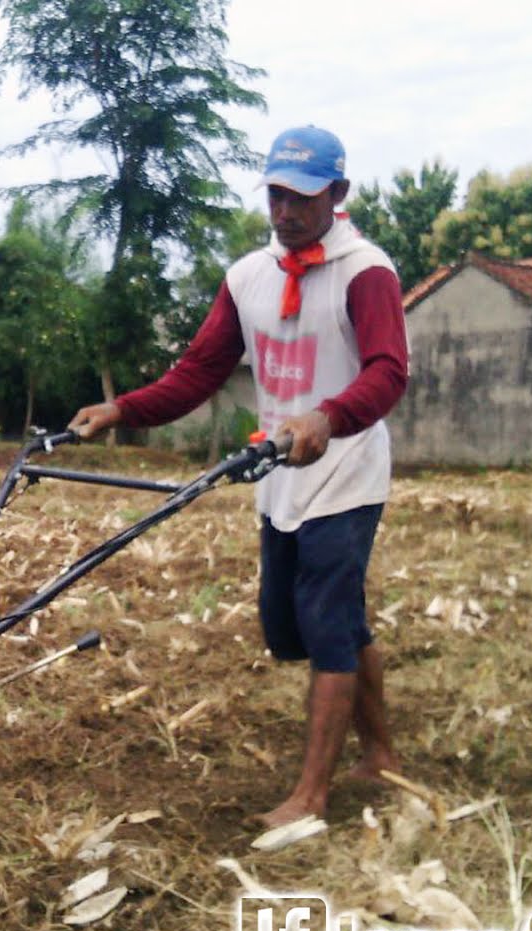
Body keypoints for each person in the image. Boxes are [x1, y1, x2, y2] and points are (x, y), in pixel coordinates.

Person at [68, 125, 410, 830]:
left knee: (324, 619)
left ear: (338, 195)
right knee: (293, 625)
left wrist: (330, 416)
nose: (285, 211)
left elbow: (389, 371)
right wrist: (122, 409)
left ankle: (310, 797)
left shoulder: (364, 271)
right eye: (276, 194)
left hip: (345, 471)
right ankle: (379, 752)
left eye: (302, 198)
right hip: (279, 471)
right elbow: (199, 370)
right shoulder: (248, 276)